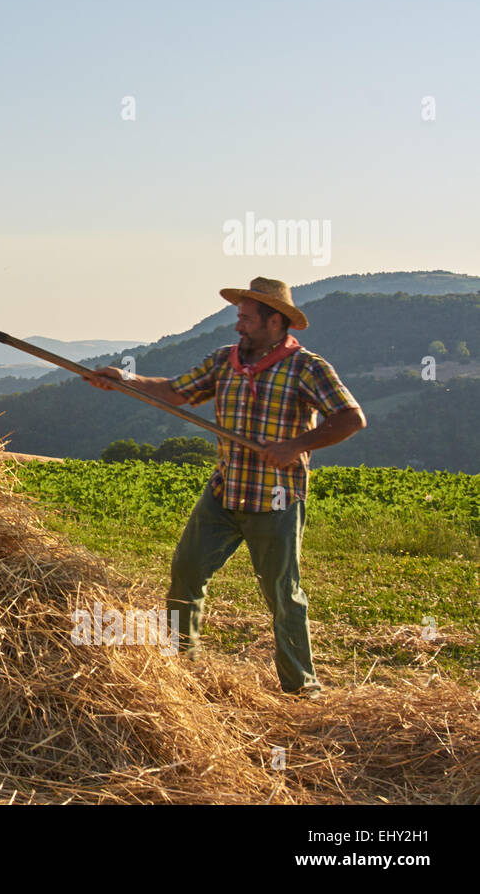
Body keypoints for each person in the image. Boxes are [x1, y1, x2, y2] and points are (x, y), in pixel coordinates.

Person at [82, 278, 366, 698]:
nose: (238, 327)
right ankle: (184, 666)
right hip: (225, 490)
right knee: (186, 573)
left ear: (275, 321)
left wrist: (296, 445)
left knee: (282, 594)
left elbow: (350, 418)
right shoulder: (223, 362)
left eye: (246, 319)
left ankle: (302, 688)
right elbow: (175, 392)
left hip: (275, 497)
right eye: (239, 318)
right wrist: (125, 379)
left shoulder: (307, 367)